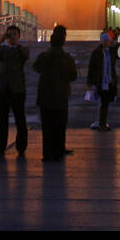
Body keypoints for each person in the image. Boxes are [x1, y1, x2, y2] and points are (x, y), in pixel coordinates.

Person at [33, 24, 77, 162]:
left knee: (47, 127)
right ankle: (58, 152)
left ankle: (47, 153)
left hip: (45, 96)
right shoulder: (67, 59)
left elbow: (36, 67)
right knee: (60, 126)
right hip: (61, 96)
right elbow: (73, 76)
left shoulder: (44, 56)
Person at [0, 26, 29, 157]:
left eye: (15, 34)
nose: (12, 37)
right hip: (4, 89)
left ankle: (21, 147)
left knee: (20, 120)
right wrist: (1, 41)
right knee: (2, 120)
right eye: (10, 34)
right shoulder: (3, 50)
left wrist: (16, 44)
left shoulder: (21, 49)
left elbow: (25, 55)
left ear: (19, 36)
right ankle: (0, 148)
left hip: (17, 90)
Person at [86, 30, 118, 130]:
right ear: (101, 41)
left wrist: (116, 43)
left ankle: (102, 123)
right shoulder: (96, 53)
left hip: (109, 81)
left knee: (106, 103)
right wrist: (89, 82)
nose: (107, 42)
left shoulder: (111, 51)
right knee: (104, 102)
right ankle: (101, 124)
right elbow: (91, 67)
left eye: (108, 40)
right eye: (105, 41)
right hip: (101, 81)